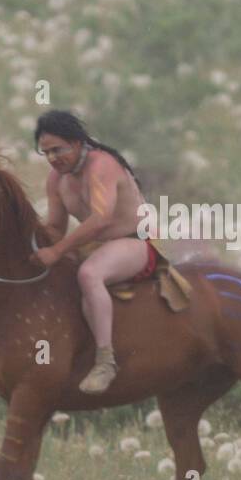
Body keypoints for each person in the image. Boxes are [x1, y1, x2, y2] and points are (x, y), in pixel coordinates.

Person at [29, 110, 159, 394]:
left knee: (89, 274)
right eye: (46, 152)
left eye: (57, 150)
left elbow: (101, 218)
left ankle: (105, 362)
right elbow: (55, 227)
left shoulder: (102, 166)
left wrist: (58, 250)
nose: (52, 158)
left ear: (76, 143)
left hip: (133, 242)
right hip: (94, 246)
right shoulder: (56, 180)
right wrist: (31, 239)